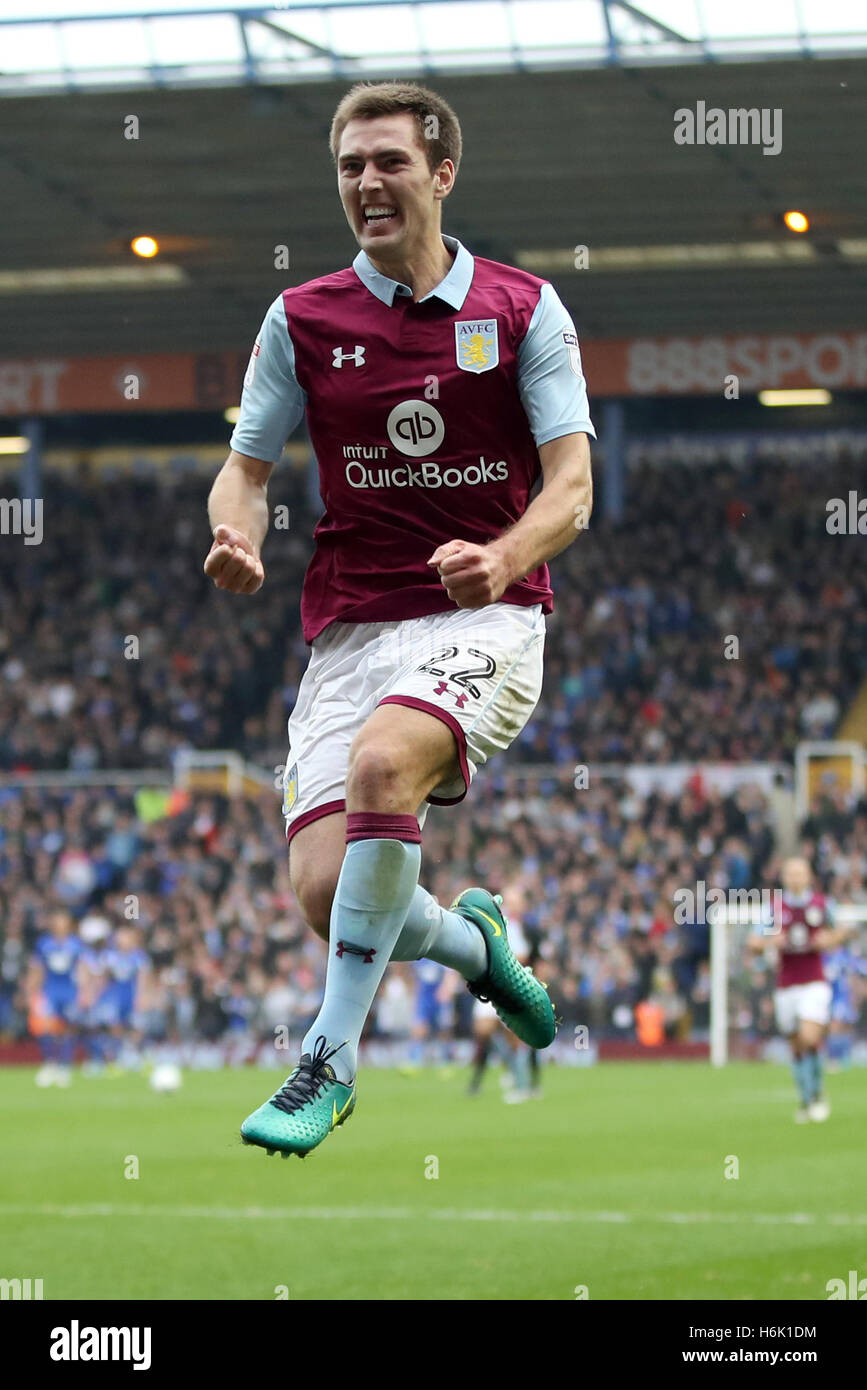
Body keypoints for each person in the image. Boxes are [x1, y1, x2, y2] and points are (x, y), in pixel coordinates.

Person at [204, 80, 595, 1157]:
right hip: (351, 633)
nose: (367, 183)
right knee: (332, 897)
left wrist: (505, 555)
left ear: (442, 172)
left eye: (388, 161)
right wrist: (236, 532)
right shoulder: (300, 320)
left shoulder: (522, 310)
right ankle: (474, 948)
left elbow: (572, 490)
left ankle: (326, 1063)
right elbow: (243, 471)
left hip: (490, 613)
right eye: (349, 167)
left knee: (385, 771)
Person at [747, 857, 853, 1122]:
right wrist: (771, 941)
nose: (795, 878)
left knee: (808, 1036)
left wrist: (828, 939)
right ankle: (806, 1099)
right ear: (784, 877)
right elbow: (753, 941)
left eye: (800, 873)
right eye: (790, 873)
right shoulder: (774, 908)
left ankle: (817, 1093)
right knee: (796, 1045)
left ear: (808, 877)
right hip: (786, 984)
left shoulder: (821, 904)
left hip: (814, 981)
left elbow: (841, 932)